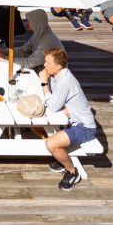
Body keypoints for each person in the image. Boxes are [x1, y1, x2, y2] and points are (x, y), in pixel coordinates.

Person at [41, 47, 96, 191]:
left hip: (84, 127)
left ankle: (72, 172)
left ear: (58, 66)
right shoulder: (58, 76)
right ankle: (61, 158)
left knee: (51, 144)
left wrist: (43, 84)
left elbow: (52, 106)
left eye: (47, 63)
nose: (44, 65)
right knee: (37, 127)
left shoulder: (64, 80)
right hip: (72, 121)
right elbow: (56, 100)